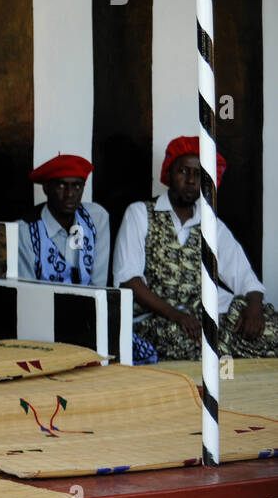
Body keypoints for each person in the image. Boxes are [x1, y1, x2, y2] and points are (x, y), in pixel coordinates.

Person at [113, 135, 278, 360]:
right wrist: (178, 317)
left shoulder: (211, 224)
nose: (191, 180)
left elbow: (244, 277)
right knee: (191, 345)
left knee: (270, 332)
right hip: (157, 319)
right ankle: (221, 373)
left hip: (205, 314)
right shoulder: (140, 214)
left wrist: (255, 310)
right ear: (169, 174)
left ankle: (231, 372)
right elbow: (128, 280)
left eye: (199, 174)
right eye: (183, 171)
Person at [17, 154, 110, 286]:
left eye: (77, 186)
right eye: (61, 186)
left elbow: (99, 285)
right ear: (46, 188)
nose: (70, 194)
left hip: (88, 305)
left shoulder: (96, 218)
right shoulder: (25, 230)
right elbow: (27, 291)